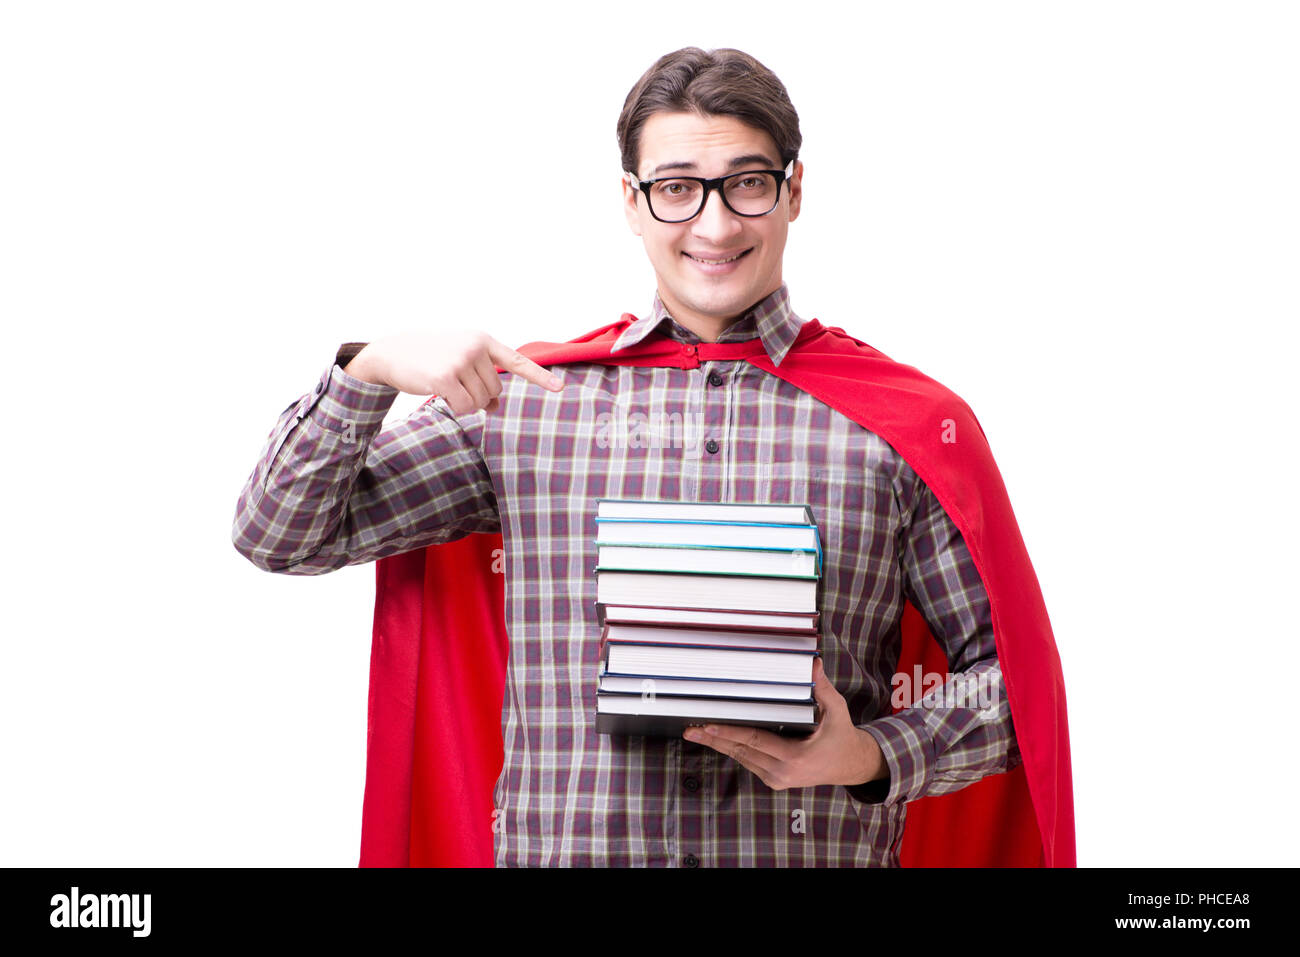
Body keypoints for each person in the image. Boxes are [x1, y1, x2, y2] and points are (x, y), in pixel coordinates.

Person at [233, 46, 1071, 867]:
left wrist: (868, 754)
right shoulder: (527, 404)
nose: (714, 224)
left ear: (794, 191)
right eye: (676, 189)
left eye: (747, 183)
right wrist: (367, 370)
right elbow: (281, 534)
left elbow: (1013, 690)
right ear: (632, 202)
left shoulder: (903, 426)